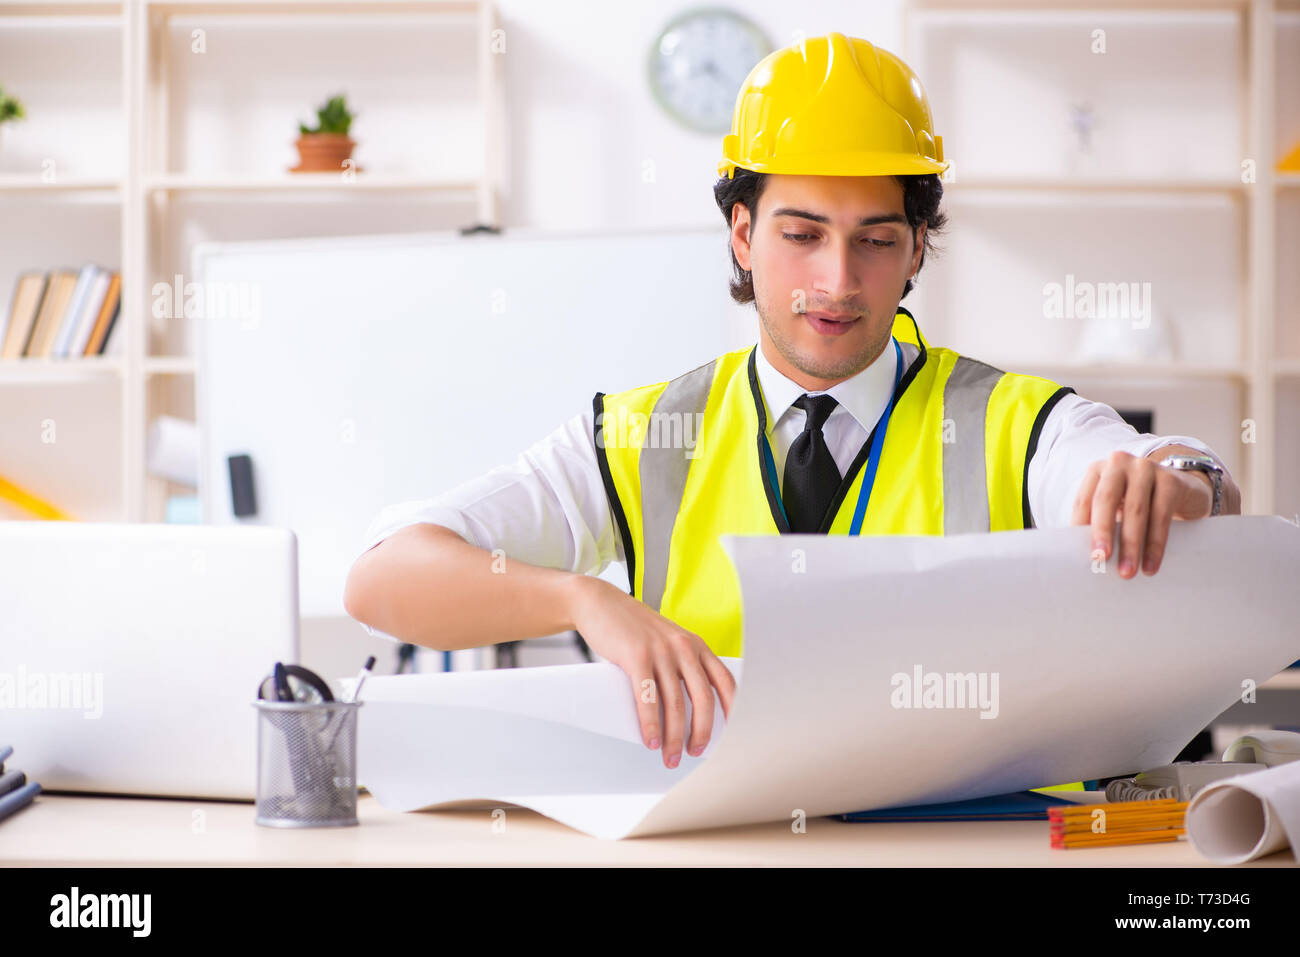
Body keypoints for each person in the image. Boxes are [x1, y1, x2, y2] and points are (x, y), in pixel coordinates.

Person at [343, 32, 1240, 775]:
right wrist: (583, 600)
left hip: (970, 846)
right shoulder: (644, 433)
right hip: (720, 839)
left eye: (876, 241)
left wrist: (1180, 477)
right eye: (802, 234)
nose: (837, 281)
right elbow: (383, 576)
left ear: (919, 249)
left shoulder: (1019, 420)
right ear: (743, 233)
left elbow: (1173, 472)